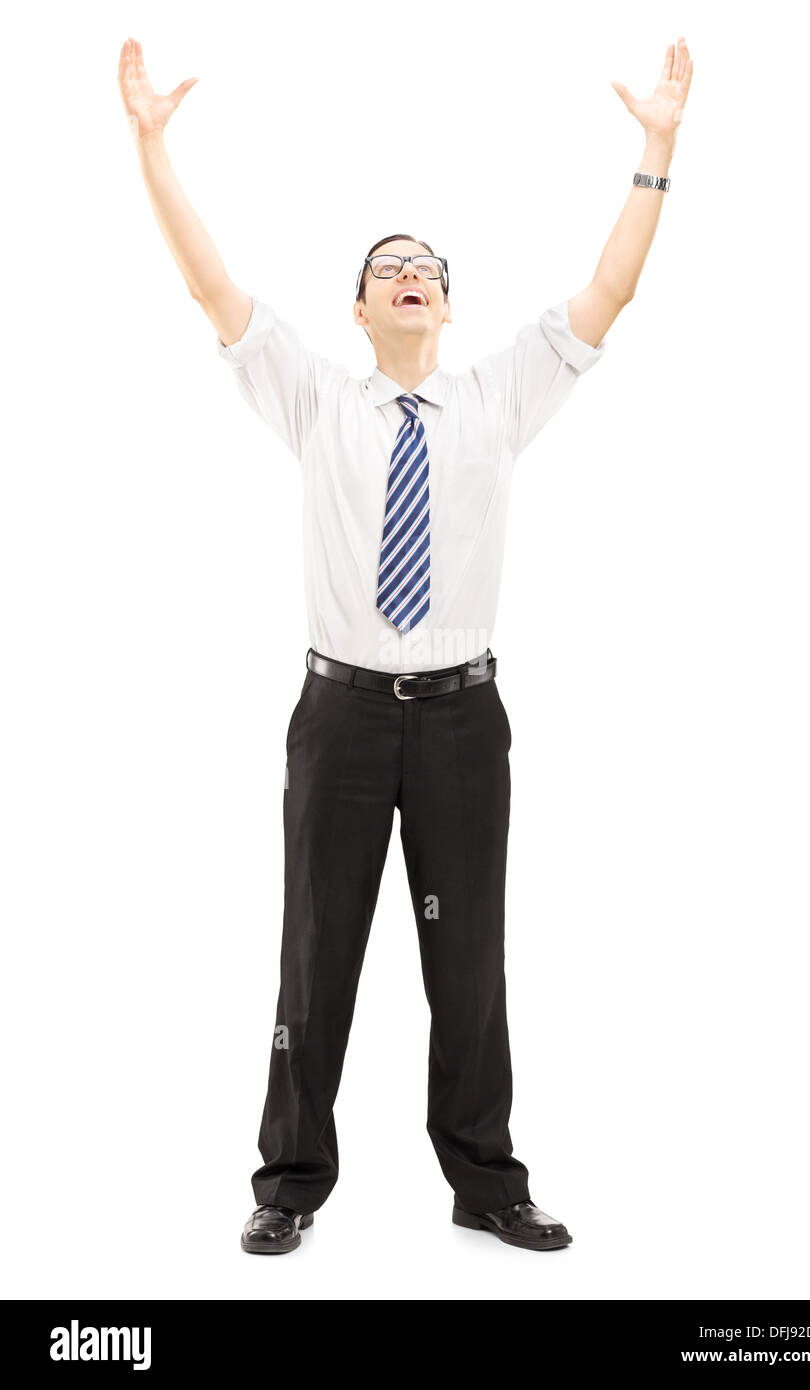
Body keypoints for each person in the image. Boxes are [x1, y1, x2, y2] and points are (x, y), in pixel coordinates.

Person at [118, 34, 693, 1255]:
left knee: (466, 957)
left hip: (458, 719)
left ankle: (484, 1179)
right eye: (388, 266)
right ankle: (287, 1182)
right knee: (315, 951)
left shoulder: (499, 393)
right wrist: (152, 147)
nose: (409, 274)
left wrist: (654, 151)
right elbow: (209, 282)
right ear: (360, 306)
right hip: (340, 717)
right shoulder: (314, 394)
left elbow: (608, 291)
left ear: (447, 299)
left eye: (427, 264)